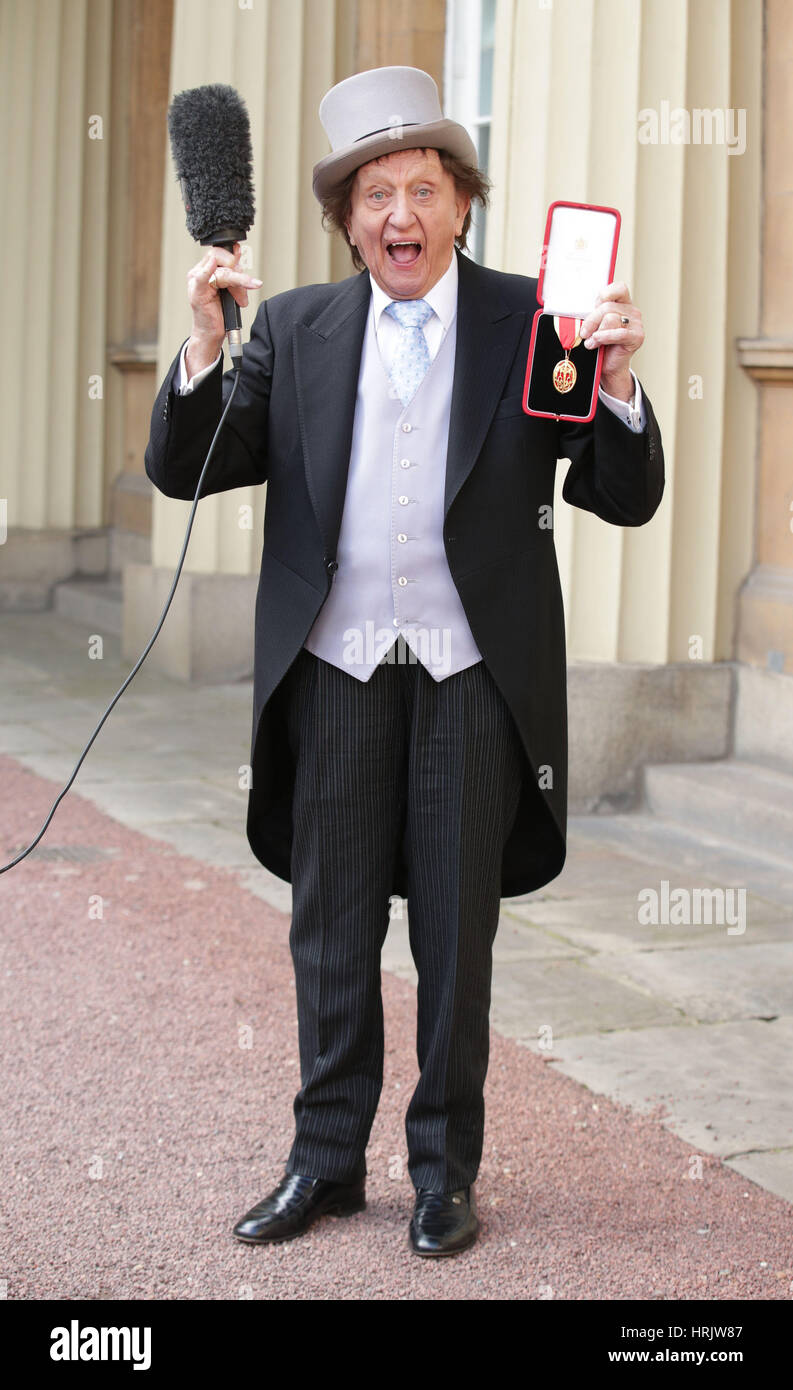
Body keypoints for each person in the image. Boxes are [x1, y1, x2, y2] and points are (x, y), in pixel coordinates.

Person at [144, 65, 664, 1257]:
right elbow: (191, 467)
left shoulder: (534, 321)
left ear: (460, 204)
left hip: (469, 675)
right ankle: (324, 1163)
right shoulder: (296, 329)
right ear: (346, 218)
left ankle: (443, 1174)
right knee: (328, 933)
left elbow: (619, 498)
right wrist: (204, 343)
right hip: (333, 672)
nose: (399, 217)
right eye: (375, 195)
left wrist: (623, 388)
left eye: (421, 189)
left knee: (452, 937)